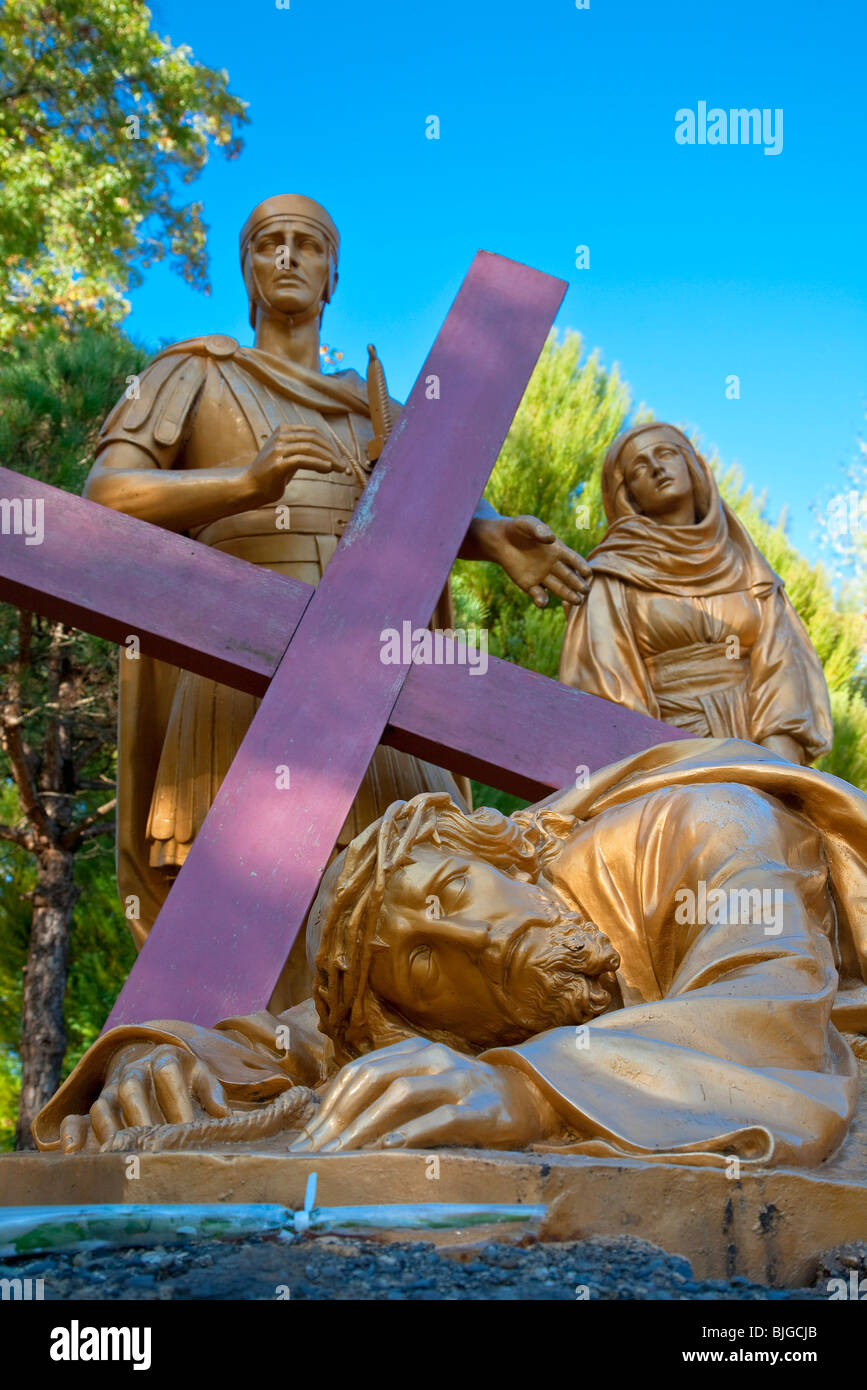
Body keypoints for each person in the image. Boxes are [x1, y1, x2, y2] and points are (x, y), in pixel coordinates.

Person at [83, 193, 592, 978]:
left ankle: (411, 1091)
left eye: (307, 246)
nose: (287, 256)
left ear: (331, 277)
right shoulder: (192, 371)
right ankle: (241, 1084)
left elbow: (426, 502)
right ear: (249, 274)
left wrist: (490, 536)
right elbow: (105, 497)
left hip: (379, 678)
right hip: (242, 664)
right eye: (268, 245)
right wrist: (243, 485)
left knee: (425, 894)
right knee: (251, 922)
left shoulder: (373, 403)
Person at [36, 738, 867, 1169]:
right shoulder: (455, 1018)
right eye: (425, 968)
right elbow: (294, 1041)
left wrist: (525, 1095)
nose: (476, 941)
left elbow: (775, 1006)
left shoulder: (702, 824)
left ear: (504, 854)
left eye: (458, 893)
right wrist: (159, 1064)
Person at [558, 422, 832, 764]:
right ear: (629, 495)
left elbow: (782, 671)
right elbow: (608, 695)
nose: (657, 468)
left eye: (666, 453)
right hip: (666, 758)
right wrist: (662, 770)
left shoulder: (750, 571)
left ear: (693, 466)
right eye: (639, 468)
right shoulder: (612, 575)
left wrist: (778, 770)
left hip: (761, 750)